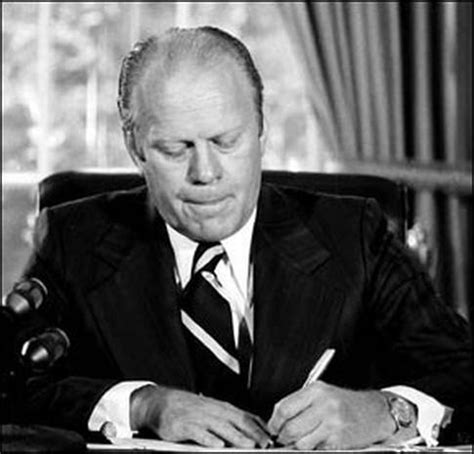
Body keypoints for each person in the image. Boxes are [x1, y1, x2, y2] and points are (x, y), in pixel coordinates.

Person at [18, 26, 471, 450]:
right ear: (135, 147)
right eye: (176, 150)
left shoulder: (354, 233)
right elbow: (14, 384)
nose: (206, 174)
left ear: (260, 129)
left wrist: (385, 412)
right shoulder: (74, 239)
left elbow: (462, 369)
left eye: (226, 142)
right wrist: (142, 404)